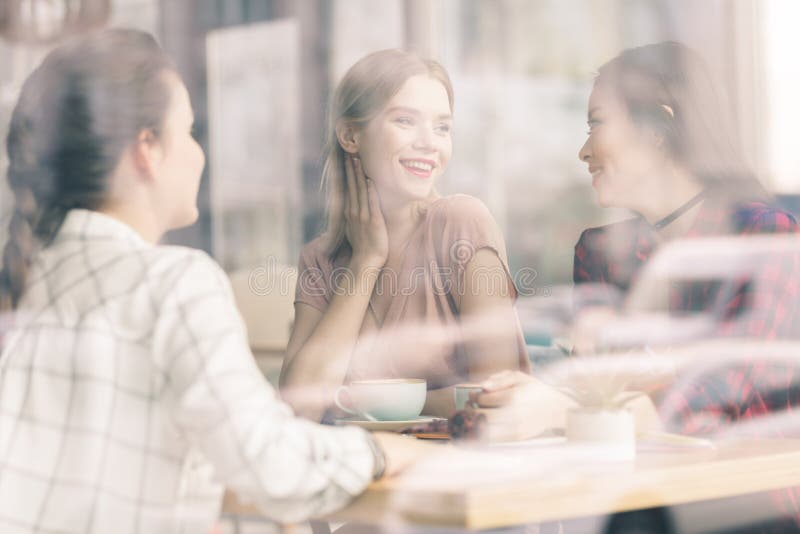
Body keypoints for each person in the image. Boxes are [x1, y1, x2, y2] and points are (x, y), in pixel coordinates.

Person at [0, 29, 425, 533]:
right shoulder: (174, 284)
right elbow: (270, 463)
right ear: (147, 150)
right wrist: (380, 450)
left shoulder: (27, 284)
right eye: (190, 132)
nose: (200, 154)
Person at [280, 49, 530, 420]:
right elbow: (295, 409)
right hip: (359, 471)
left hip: (452, 468)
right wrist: (366, 261)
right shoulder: (320, 259)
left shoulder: (462, 223)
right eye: (405, 121)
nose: (430, 142)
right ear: (351, 135)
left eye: (442, 127)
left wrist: (369, 403)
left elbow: (497, 397)